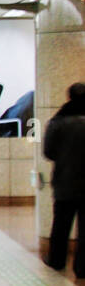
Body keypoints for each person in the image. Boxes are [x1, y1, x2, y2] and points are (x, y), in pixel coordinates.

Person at [43, 82, 85, 276]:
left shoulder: (57, 121)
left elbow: (48, 152)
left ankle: (56, 260)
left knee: (61, 224)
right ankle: (82, 267)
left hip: (64, 182)